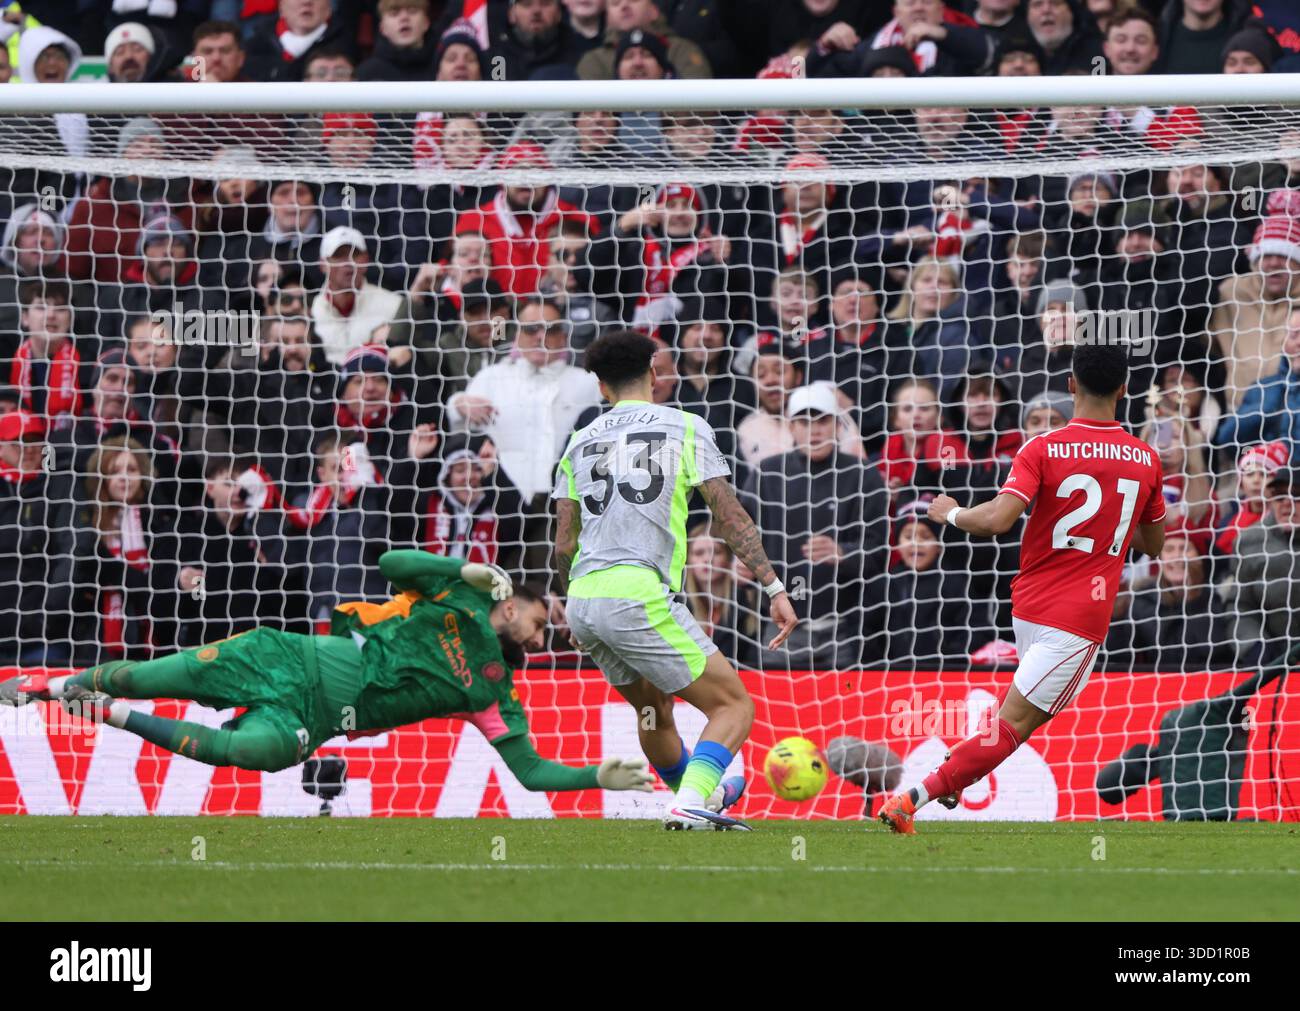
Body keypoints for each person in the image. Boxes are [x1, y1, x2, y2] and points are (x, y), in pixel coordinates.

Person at [0, 551, 653, 798]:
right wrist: (460, 570)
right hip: (284, 656)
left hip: (309, 719)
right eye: (538, 621)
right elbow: (393, 562)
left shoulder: (494, 696)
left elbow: (532, 774)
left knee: (245, 754)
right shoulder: (459, 600)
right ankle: (54, 686)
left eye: (544, 633)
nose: (538, 635)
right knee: (144, 675)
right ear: (508, 605)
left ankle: (103, 712)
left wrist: (594, 776)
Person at [880, 340, 1167, 834]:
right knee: (1014, 726)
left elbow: (997, 520)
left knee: (1017, 721)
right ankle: (913, 797)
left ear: (1071, 384)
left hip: (1029, 606)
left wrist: (948, 512)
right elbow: (1153, 543)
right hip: (1078, 620)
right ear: (1124, 388)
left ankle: (956, 772)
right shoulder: (1145, 459)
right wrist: (1109, 526)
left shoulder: (1042, 447)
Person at [552, 329, 798, 829]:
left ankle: (698, 797)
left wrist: (574, 607)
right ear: (655, 374)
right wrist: (773, 586)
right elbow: (728, 517)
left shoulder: (579, 440)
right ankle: (690, 800)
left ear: (602, 387)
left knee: (653, 710)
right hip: (639, 593)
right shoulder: (686, 426)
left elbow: (563, 544)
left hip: (584, 598)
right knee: (732, 706)